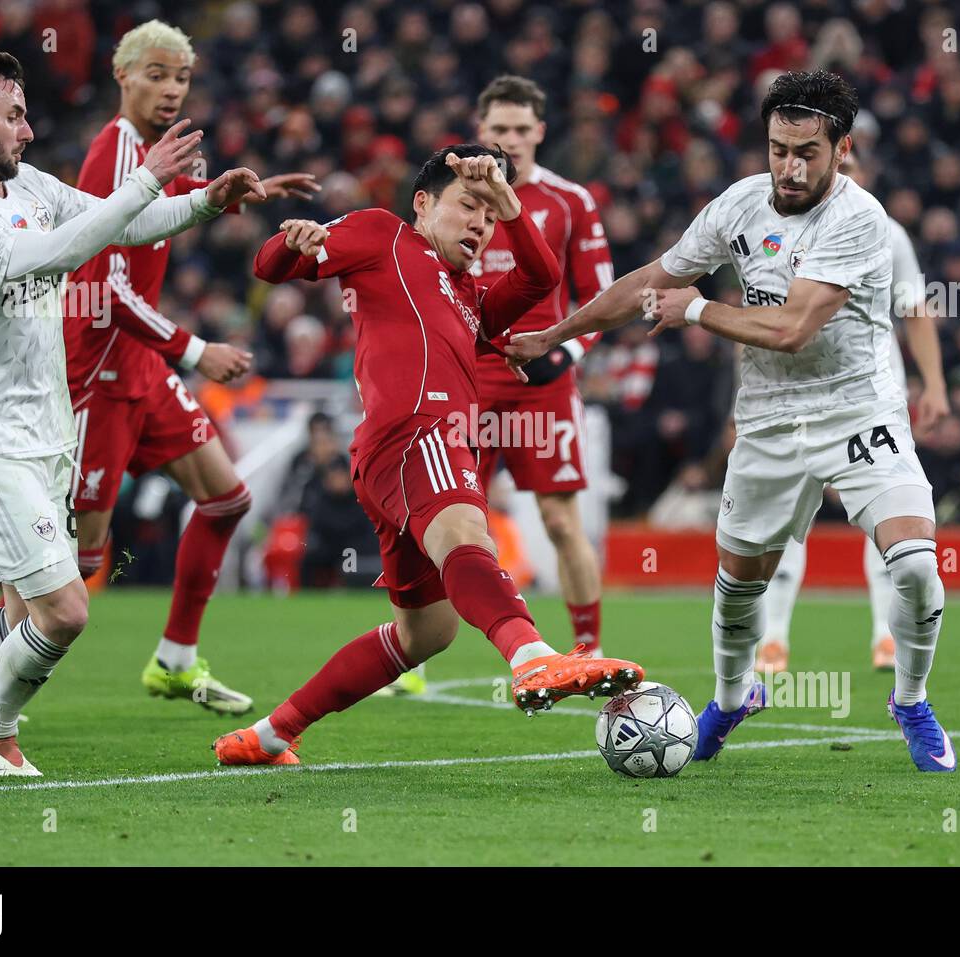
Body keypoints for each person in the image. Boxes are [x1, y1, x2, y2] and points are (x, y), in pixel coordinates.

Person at [510, 71, 955, 773]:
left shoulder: (862, 219)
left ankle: (910, 699)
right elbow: (649, 280)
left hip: (859, 410)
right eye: (779, 148)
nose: (789, 166)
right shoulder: (740, 204)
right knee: (739, 581)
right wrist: (553, 335)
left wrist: (692, 309)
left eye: (807, 152)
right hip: (770, 421)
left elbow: (792, 330)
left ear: (842, 149)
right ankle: (731, 694)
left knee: (918, 568)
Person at [0, 50, 265, 776]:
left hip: (44, 433)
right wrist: (145, 177)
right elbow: (58, 251)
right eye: (14, 116)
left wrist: (206, 201)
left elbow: (120, 227)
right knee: (67, 609)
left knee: (21, 619)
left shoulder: (28, 185)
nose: (29, 130)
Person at [213, 145, 645, 766]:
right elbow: (268, 265)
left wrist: (506, 200)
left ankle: (272, 733)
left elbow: (543, 280)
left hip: (399, 454)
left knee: (426, 633)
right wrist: (295, 241)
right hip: (417, 432)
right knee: (469, 532)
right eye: (467, 206)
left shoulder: (468, 294)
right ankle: (532, 657)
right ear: (422, 203)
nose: (481, 224)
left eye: (489, 217)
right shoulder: (381, 234)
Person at [65, 20, 320, 714]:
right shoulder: (114, 151)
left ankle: (175, 659)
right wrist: (196, 349)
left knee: (226, 498)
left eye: (180, 77)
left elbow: (154, 216)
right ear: (122, 76)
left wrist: (229, 196)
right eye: (156, 74)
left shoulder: (152, 152)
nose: (171, 89)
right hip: (98, 373)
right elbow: (104, 287)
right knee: (81, 559)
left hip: (140, 367)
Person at [754, 146, 951, 674]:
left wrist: (933, 384)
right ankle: (773, 637)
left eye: (853, 167)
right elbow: (756, 323)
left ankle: (886, 637)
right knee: (786, 516)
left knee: (885, 513)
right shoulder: (780, 232)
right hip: (790, 399)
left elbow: (915, 308)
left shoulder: (886, 232)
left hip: (868, 401)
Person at [471, 76, 614, 656]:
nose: (510, 139)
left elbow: (602, 298)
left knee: (560, 522)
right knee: (451, 524)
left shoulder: (569, 202)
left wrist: (568, 352)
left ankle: (590, 651)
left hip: (542, 384)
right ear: (480, 132)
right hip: (469, 381)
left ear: (540, 133)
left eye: (521, 130)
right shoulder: (454, 196)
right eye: (499, 129)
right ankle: (416, 649)